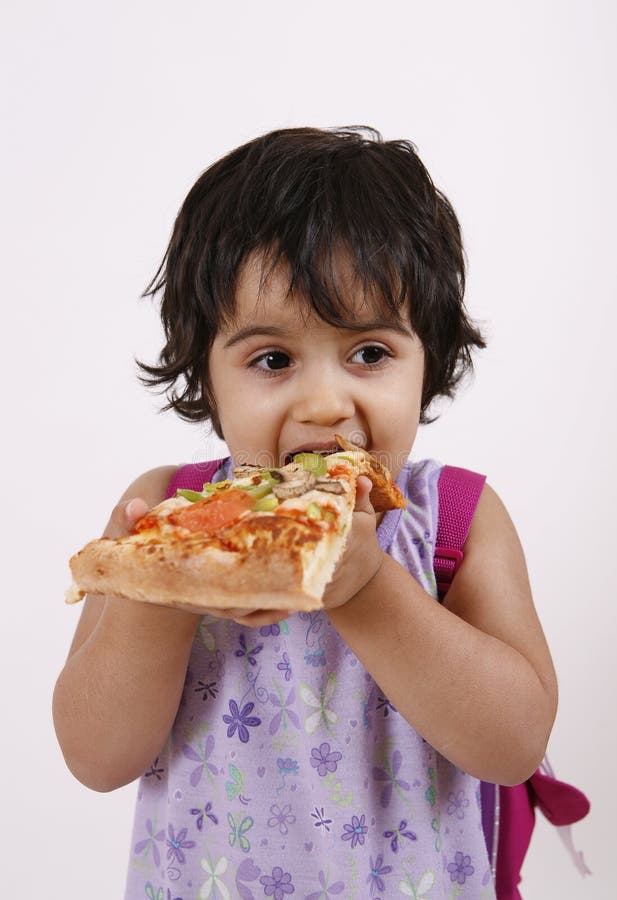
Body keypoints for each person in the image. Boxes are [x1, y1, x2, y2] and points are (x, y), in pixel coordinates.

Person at [53, 127, 557, 899]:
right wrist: (161, 586)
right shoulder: (166, 509)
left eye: (369, 353)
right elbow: (96, 757)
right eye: (272, 359)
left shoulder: (455, 518)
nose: (324, 403)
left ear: (427, 359)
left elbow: (512, 746)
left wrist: (365, 585)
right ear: (206, 376)